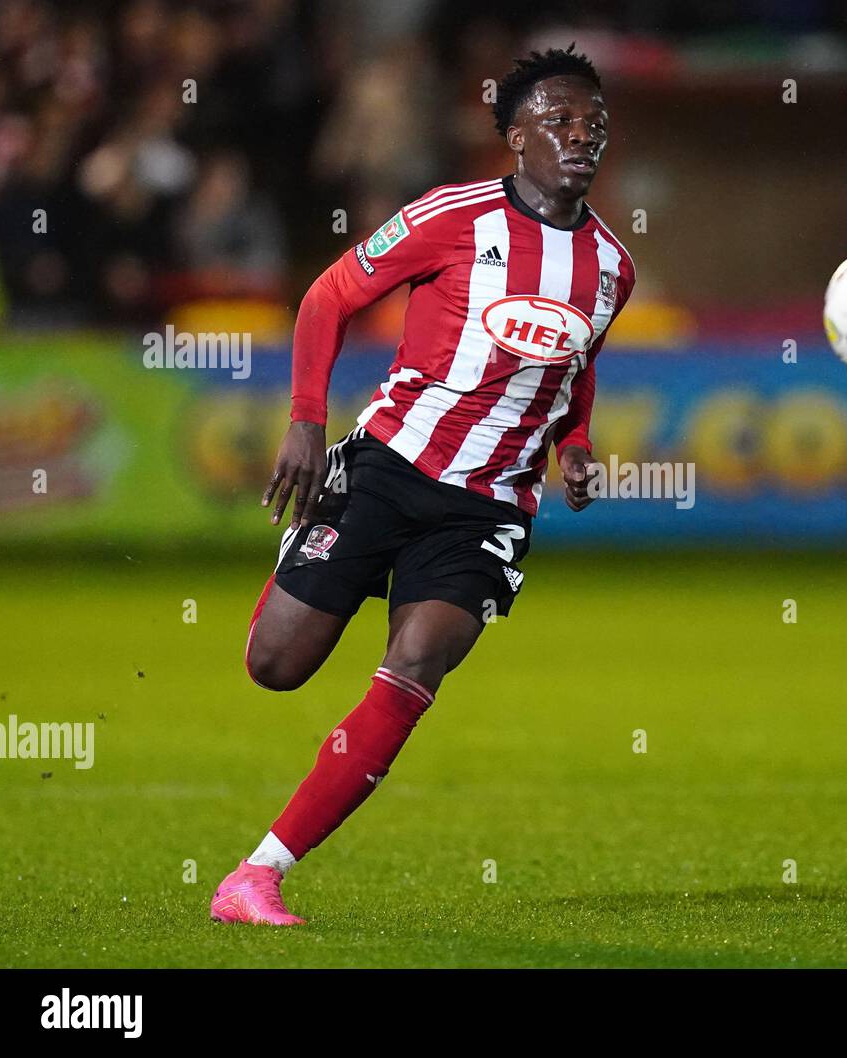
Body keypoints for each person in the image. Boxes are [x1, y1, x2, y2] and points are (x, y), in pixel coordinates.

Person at [210, 45, 634, 926]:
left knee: (417, 661)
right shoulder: (452, 216)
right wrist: (303, 420)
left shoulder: (612, 268)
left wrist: (577, 442)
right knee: (275, 666)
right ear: (517, 138)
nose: (582, 136)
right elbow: (327, 296)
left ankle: (257, 875)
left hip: (489, 507)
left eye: (594, 122)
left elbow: (573, 367)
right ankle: (314, 556)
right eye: (560, 122)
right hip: (386, 466)